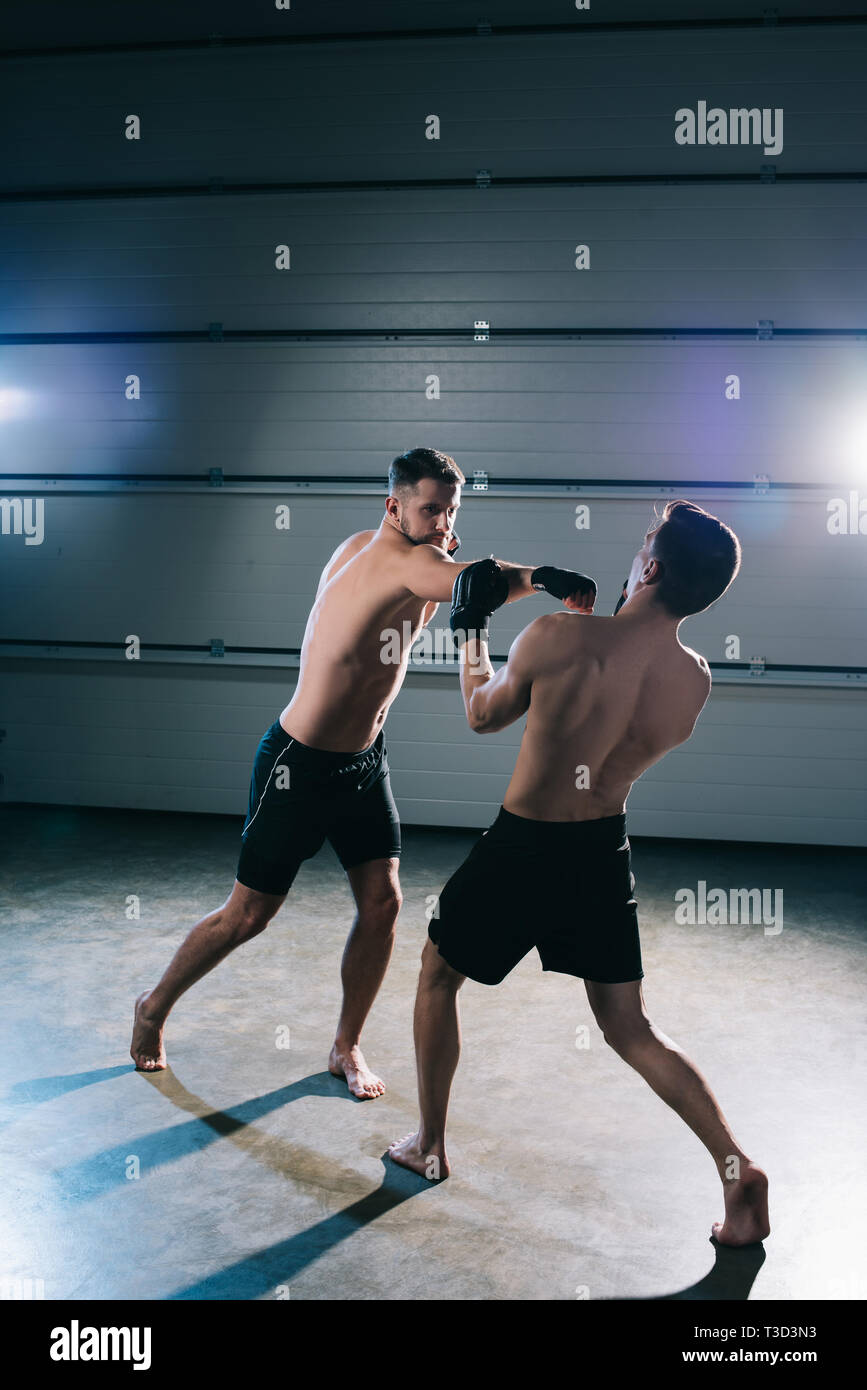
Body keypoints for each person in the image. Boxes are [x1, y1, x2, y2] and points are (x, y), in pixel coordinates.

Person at [130, 447, 594, 1097]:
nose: (440, 521)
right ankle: (151, 1008)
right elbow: (474, 583)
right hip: (298, 764)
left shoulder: (373, 546)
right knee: (248, 915)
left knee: (382, 904)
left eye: (450, 510)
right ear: (394, 505)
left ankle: (345, 1047)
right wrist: (543, 575)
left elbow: (457, 575)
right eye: (429, 508)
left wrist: (468, 560)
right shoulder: (400, 561)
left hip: (361, 762)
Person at [389, 500, 771, 1246]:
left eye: (642, 545)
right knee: (630, 1028)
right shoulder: (693, 680)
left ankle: (429, 1145)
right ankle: (736, 1168)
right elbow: (610, 702)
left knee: (438, 973)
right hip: (601, 854)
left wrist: (470, 634)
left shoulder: (557, 634)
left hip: (522, 846)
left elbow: (481, 714)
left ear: (651, 567)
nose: (635, 555)